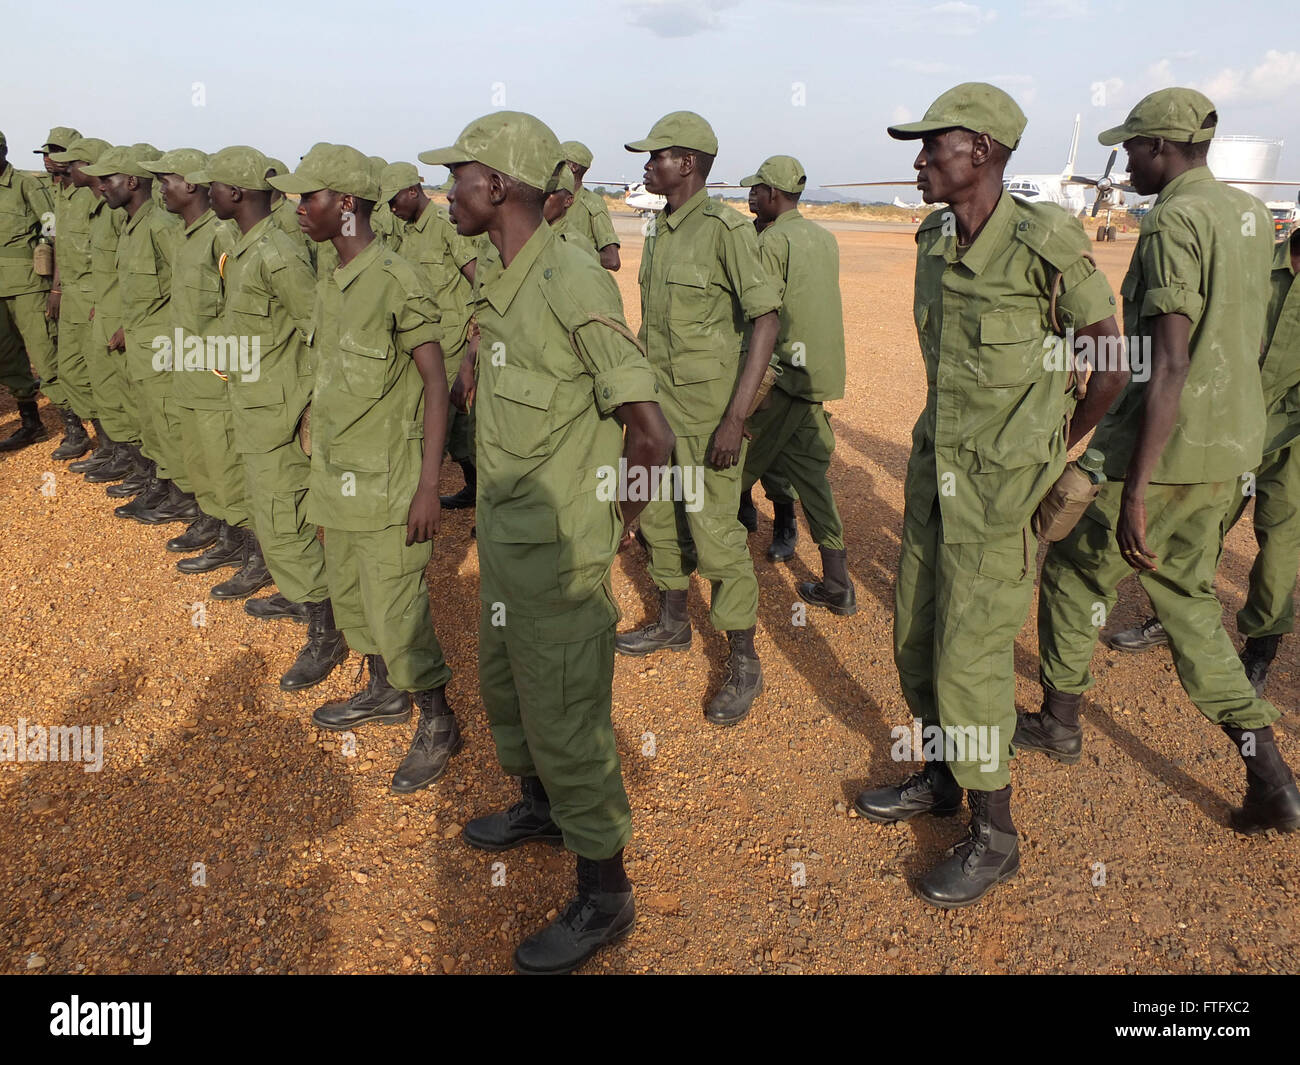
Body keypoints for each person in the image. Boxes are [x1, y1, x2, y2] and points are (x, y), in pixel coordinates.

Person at [852, 83, 1128, 908]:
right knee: (915, 635)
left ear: (981, 150)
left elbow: (1110, 367)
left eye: (932, 147)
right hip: (936, 479)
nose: (918, 160)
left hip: (1002, 498)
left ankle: (996, 835)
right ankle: (941, 775)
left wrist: (1052, 445)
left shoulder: (1045, 242)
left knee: (971, 663)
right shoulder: (936, 239)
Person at [424, 111, 674, 973]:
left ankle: (606, 893)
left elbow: (652, 435)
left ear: (497, 185)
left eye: (457, 175)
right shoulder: (501, 280)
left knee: (568, 718)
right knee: (510, 689)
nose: (445, 190)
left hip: (560, 558)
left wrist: (615, 526)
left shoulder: (570, 279)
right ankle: (538, 806)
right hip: (507, 546)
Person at [1024, 88, 1300, 835]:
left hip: (1164, 450)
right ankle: (1270, 774)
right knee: (1188, 603)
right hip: (1228, 446)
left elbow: (1169, 360)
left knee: (1074, 568)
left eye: (1135, 149)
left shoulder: (1174, 218)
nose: (1130, 164)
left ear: (1163, 149)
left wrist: (1135, 486)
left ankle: (1060, 717)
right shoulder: (1248, 215)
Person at [273, 144, 460, 788]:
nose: (301, 208)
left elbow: (436, 385)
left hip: (388, 485)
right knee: (355, 602)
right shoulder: (330, 278)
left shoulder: (395, 280)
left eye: (311, 197)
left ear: (346, 204)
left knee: (398, 609)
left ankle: (437, 720)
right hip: (337, 479)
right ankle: (384, 692)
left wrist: (430, 487)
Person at [618, 111, 783, 726]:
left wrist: (735, 418)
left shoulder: (726, 232)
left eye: (655, 156)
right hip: (657, 410)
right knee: (659, 519)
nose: (646, 165)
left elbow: (765, 318)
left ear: (687, 163)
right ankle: (671, 622)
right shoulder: (661, 229)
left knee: (714, 532)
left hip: (708, 413)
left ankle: (743, 659)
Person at [1105, 221, 1300, 697]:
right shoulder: (1252, 263)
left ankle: (1260, 647)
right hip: (1231, 424)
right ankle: (1172, 617)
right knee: (1198, 528)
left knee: (1279, 546)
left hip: (1292, 434)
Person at [737, 154, 854, 611]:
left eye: (756, 190)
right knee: (813, 480)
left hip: (780, 378)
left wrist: (742, 393)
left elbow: (761, 319)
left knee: (729, 468)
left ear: (773, 194)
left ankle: (686, 570)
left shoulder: (770, 243)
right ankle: (838, 583)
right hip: (815, 382)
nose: (750, 196)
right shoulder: (824, 239)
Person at [82, 144, 190, 525]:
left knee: (168, 423)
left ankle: (187, 500)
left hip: (162, 348)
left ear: (130, 181)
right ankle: (162, 485)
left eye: (108, 180)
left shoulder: (161, 226)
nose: (102, 187)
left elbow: (187, 285)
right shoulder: (132, 225)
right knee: (149, 421)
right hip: (140, 347)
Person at [141, 148, 234, 537]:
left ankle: (243, 544)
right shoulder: (186, 234)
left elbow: (241, 306)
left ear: (190, 184)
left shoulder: (222, 235)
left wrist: (223, 365)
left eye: (166, 181)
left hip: (215, 375)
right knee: (200, 460)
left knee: (226, 464)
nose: (160, 189)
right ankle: (213, 525)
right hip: (187, 370)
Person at [381, 160, 481, 513]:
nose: (391, 209)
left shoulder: (445, 227)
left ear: (413, 191)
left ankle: (419, 501)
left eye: (394, 200)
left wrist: (472, 352)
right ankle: (474, 488)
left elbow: (480, 285)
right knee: (456, 432)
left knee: (432, 430)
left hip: (450, 347)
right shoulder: (403, 230)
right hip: (420, 344)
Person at [0, 130, 59, 452]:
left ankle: (76, 426)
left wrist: (55, 282)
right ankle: (31, 423)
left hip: (26, 286)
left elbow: (53, 227)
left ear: (4, 151)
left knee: (44, 353)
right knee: (7, 358)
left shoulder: (26, 185)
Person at [560, 140, 621, 271]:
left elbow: (612, 260)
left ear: (573, 167)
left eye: (559, 163)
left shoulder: (593, 204)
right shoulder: (549, 199)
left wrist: (573, 254)